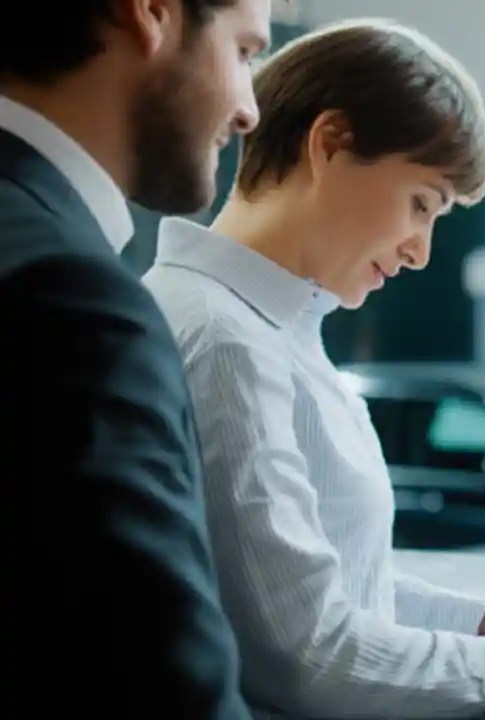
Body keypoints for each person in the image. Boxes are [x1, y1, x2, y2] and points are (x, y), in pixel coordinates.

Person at [143, 19, 485, 718]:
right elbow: (306, 655)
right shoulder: (226, 340)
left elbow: (330, 587)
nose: (420, 250)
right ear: (330, 144)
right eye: (421, 204)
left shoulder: (271, 329)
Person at [0, 0, 270, 715]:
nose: (248, 111)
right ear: (151, 12)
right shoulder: (72, 298)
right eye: (243, 52)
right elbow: (162, 686)